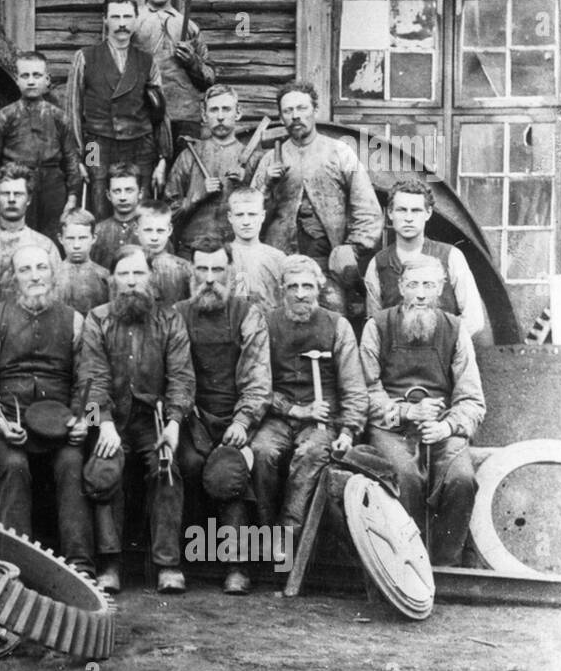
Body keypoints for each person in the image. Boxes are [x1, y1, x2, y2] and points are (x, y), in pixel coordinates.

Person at [0, 245, 96, 576]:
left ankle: (80, 566)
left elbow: (92, 382)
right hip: (9, 424)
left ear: (53, 273)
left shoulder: (75, 321)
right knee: (14, 465)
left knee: (71, 464)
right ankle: (16, 565)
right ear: (13, 278)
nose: (35, 276)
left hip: (61, 425)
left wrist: (86, 422)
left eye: (42, 268)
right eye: (25, 270)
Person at [82, 245, 195, 593]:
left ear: (150, 277)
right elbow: (90, 380)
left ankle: (167, 564)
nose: (131, 282)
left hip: (154, 416)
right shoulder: (96, 318)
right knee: (102, 470)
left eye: (138, 274)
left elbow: (181, 378)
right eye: (124, 275)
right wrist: (101, 423)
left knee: (167, 468)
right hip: (107, 416)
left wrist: (175, 423)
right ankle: (110, 563)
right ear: (113, 280)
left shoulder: (170, 319)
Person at [360, 255, 486, 566]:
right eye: (413, 284)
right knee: (404, 477)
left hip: (440, 426)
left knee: (461, 479)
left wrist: (448, 427)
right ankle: (406, 563)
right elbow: (363, 393)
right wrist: (406, 412)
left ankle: (443, 563)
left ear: (441, 289)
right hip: (391, 426)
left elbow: (472, 399)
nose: (420, 293)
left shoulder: (455, 331)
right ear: (401, 287)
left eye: (429, 285)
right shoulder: (377, 327)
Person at [173, 237, 272, 594]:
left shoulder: (248, 314)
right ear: (192, 272)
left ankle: (237, 566)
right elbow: (177, 376)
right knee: (185, 462)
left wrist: (243, 421)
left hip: (236, 417)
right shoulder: (178, 314)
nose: (210, 278)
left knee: (233, 469)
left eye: (218, 269)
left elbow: (258, 379)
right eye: (202, 269)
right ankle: (180, 561)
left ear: (230, 272)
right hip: (191, 418)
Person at [249, 255, 367, 539]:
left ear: (319, 286)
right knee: (261, 452)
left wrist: (349, 431)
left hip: (323, 421)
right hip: (278, 416)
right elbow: (257, 383)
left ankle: (287, 538)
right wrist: (294, 410)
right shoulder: (265, 323)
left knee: (311, 454)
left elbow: (354, 387)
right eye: (292, 287)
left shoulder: (338, 326)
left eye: (307, 286)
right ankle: (265, 532)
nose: (300, 294)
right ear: (281, 288)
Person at [252, 81, 382, 317]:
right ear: (281, 117)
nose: (295, 116)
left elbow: (368, 209)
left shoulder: (339, 152)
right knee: (279, 326)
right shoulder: (269, 160)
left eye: (301, 108)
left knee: (331, 324)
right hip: (281, 264)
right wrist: (267, 184)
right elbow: (250, 215)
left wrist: (353, 249)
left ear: (315, 110)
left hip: (327, 265)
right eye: (288, 111)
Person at [65, 0, 166, 220]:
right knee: (98, 203)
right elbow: (73, 110)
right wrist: (78, 158)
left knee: (142, 208)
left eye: (127, 17)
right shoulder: (85, 57)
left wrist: (162, 156)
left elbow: (161, 113)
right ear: (105, 20)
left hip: (141, 145)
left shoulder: (147, 61)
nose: (122, 24)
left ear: (135, 19)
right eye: (116, 17)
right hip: (96, 145)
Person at [364, 179, 485, 338]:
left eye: (416, 210)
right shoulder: (378, 264)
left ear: (428, 213)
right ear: (390, 213)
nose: (408, 218)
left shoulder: (451, 257)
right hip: (398, 358)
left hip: (443, 357)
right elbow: (375, 325)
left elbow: (474, 320)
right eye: (401, 210)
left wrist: (445, 346)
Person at [0, 51, 79, 237]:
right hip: (16, 183)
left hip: (53, 185)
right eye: (25, 76)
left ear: (47, 79)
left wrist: (72, 196)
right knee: (17, 236)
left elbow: (71, 159)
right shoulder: (4, 117)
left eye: (36, 75)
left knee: (53, 238)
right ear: (17, 79)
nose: (31, 81)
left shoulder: (60, 117)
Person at [133, 0, 216, 160]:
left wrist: (192, 62)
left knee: (182, 179)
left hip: (184, 116)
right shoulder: (132, 23)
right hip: (143, 117)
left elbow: (210, 79)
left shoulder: (189, 27)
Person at [165, 85, 262, 256]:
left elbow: (265, 210)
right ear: (204, 115)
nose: (220, 116)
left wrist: (244, 185)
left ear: (238, 113)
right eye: (214, 110)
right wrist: (196, 195)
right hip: (191, 251)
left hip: (237, 252)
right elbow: (167, 213)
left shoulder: (253, 159)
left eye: (226, 109)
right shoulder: (189, 157)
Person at [0, 163, 63, 309]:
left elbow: (57, 296)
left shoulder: (45, 246)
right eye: (5, 193)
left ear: (29, 199)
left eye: (18, 194)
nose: (11, 199)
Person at [226, 185, 288, 310]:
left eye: (252, 214)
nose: (246, 222)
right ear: (230, 217)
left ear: (263, 216)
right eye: (239, 215)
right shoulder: (225, 256)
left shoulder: (277, 257)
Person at [53, 210, 110, 316]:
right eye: (70, 238)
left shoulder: (105, 277)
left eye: (82, 238)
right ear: (61, 239)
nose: (76, 245)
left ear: (93, 238)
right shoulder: (52, 276)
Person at [135, 200, 193, 306]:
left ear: (169, 230)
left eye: (160, 230)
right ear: (136, 229)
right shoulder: (128, 265)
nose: (154, 238)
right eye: (148, 230)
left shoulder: (184, 268)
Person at [90, 163, 144, 269]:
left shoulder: (150, 232)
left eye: (129, 190)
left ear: (140, 193)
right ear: (109, 195)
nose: (122, 197)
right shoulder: (97, 232)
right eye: (117, 191)